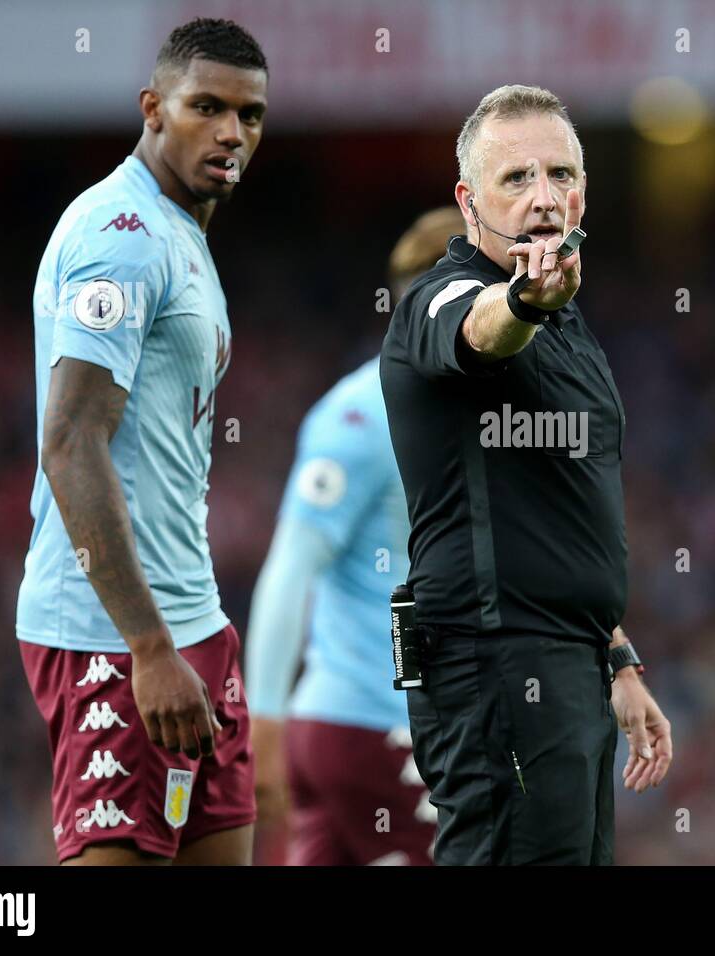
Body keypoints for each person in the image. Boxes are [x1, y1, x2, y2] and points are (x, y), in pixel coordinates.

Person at [379, 84, 673, 866]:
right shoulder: (443, 298)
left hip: (566, 661)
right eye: (515, 180)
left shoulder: (568, 317)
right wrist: (522, 304)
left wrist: (615, 657)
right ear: (468, 202)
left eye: (561, 175)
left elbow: (557, 513)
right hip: (495, 665)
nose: (544, 198)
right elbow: (481, 332)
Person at [16, 18, 269, 865]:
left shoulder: (180, 231)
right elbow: (71, 440)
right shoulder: (117, 239)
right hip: (112, 637)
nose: (231, 133)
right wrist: (148, 648)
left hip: (195, 621)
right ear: (152, 109)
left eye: (250, 115)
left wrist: (189, 635)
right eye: (207, 107)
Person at [245, 207, 466, 866]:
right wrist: (263, 717)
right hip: (383, 732)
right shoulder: (365, 413)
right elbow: (290, 567)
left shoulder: (448, 408)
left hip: (350, 731)